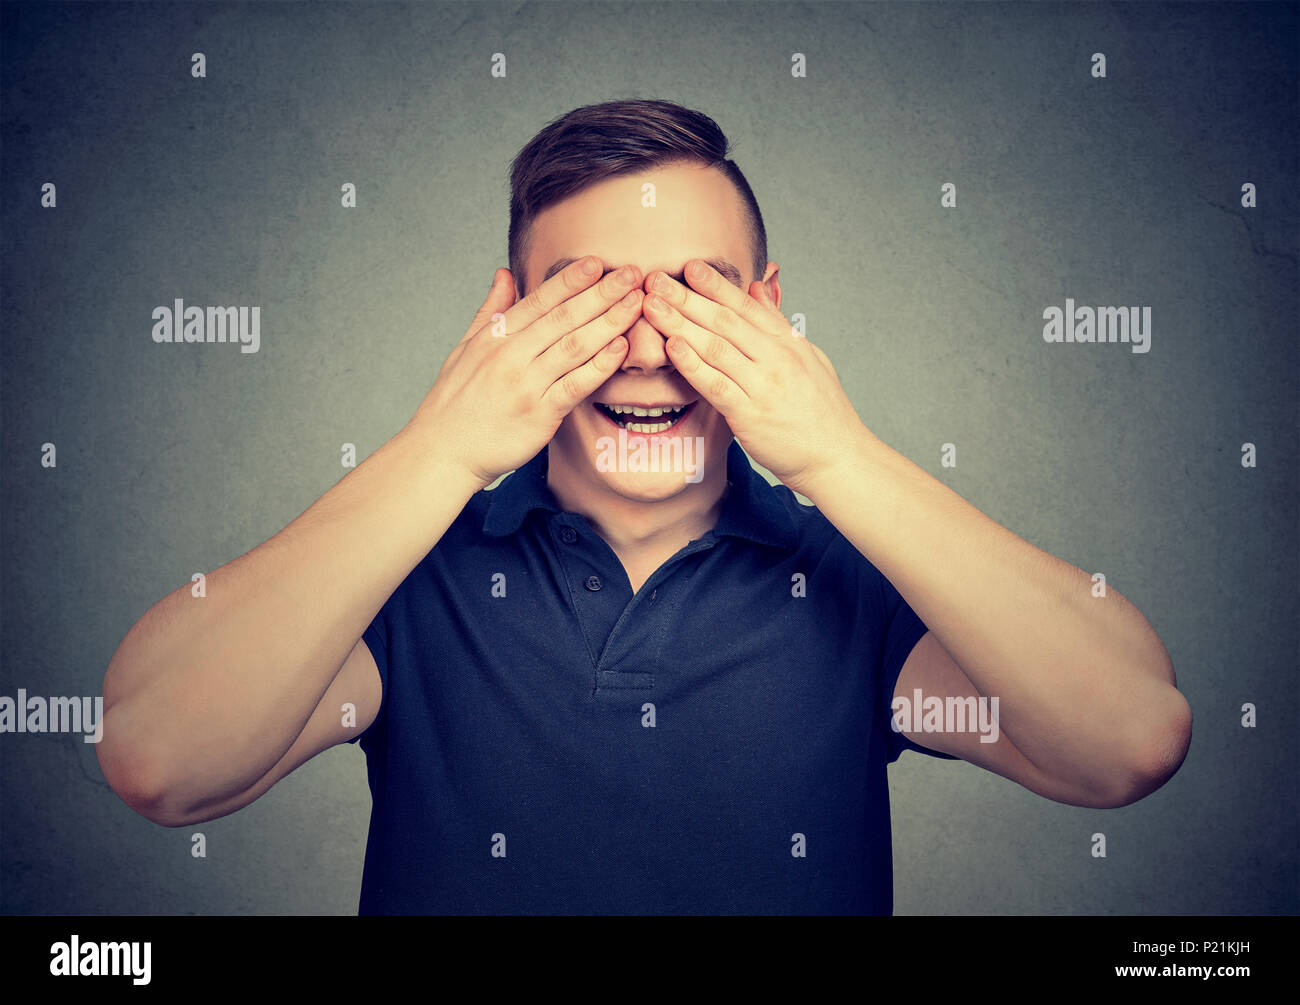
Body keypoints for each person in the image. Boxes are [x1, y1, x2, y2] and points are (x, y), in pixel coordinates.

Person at [97, 99, 1192, 914]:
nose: (651, 351)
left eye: (695, 294)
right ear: (511, 321)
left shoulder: (855, 586)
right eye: (594, 299)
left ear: (766, 312)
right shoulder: (405, 580)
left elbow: (1129, 741)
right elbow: (159, 760)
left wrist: (837, 456)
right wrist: (440, 448)